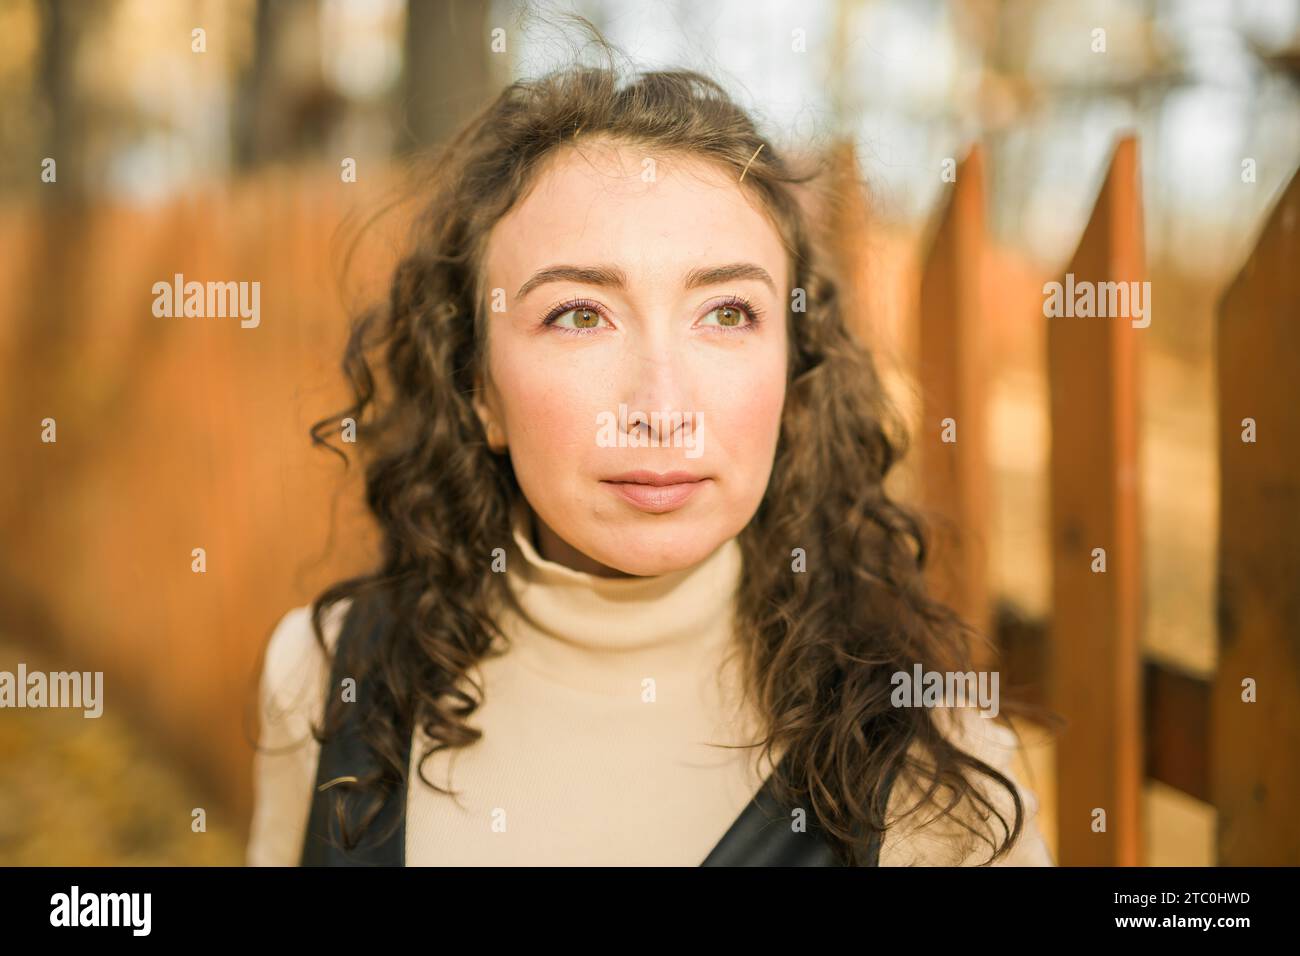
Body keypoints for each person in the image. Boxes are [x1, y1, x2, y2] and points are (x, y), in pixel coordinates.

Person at [247, 28, 1054, 868]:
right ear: (479, 387)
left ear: (795, 365)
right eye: (579, 315)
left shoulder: (929, 765)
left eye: (727, 313)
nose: (663, 408)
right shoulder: (323, 675)